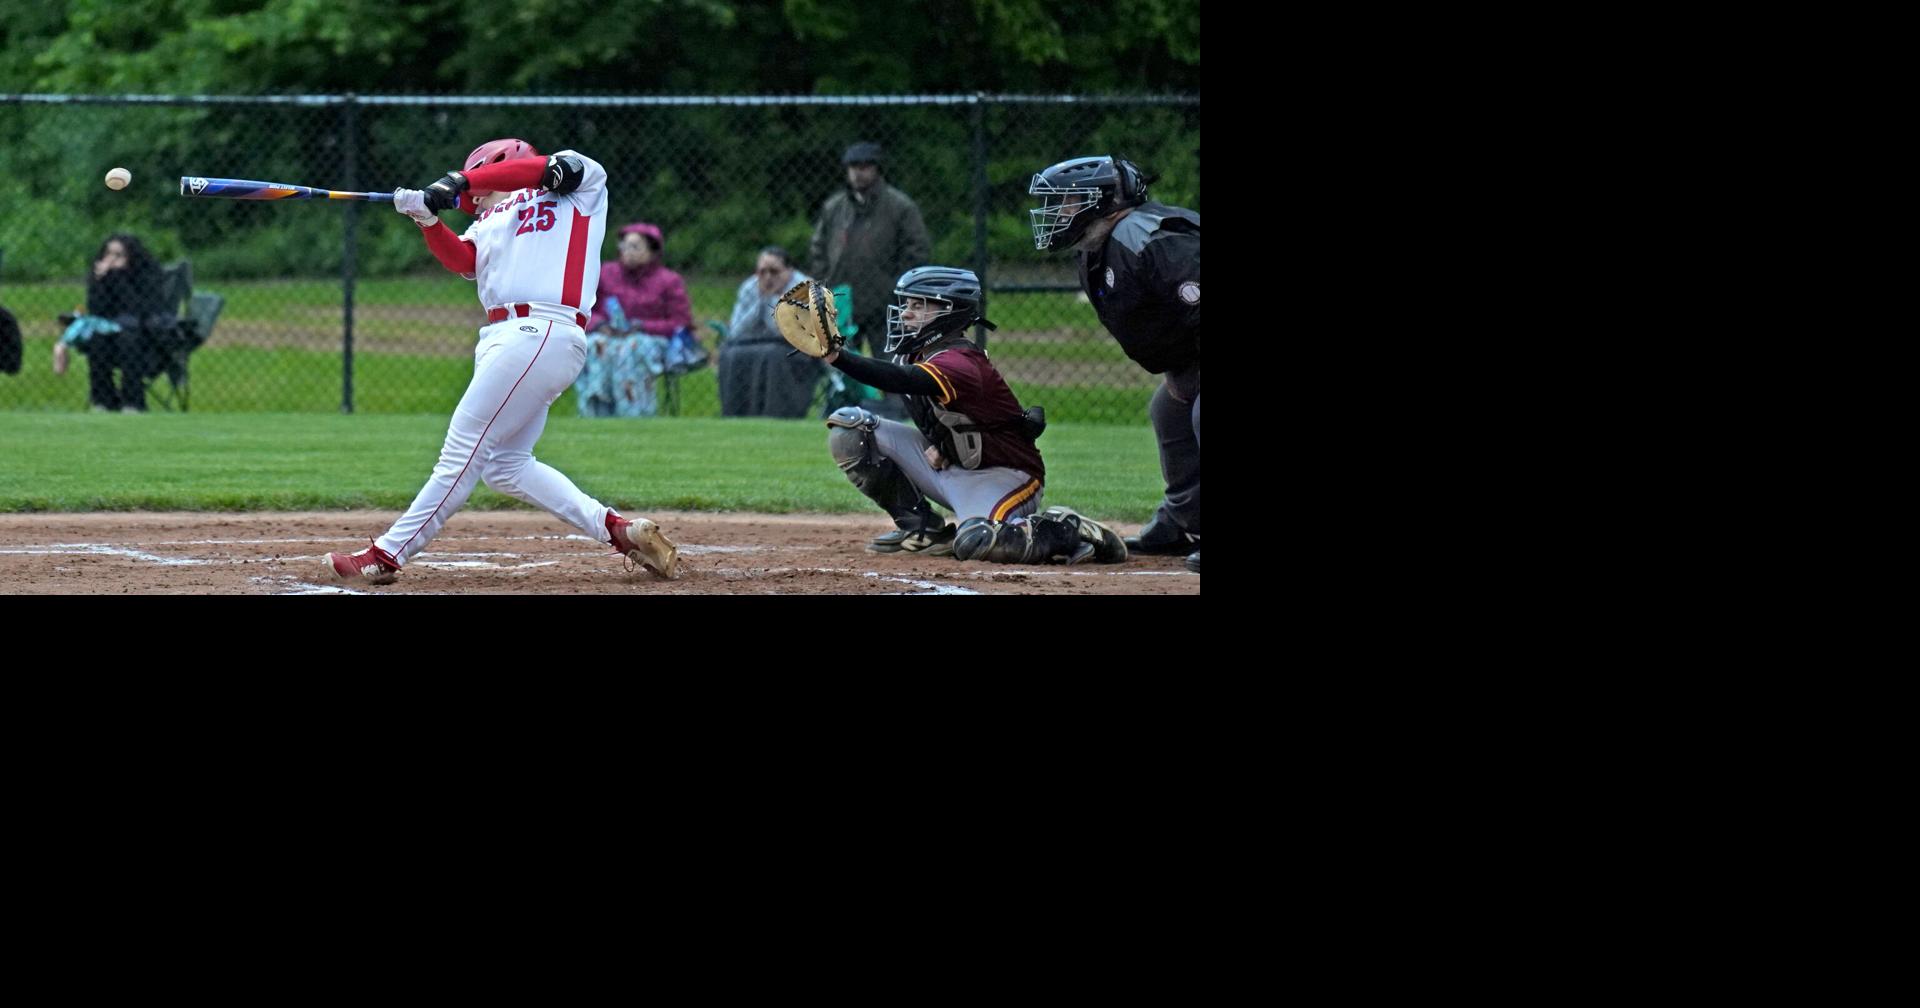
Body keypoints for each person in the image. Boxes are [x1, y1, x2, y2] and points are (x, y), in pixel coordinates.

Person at [323, 138, 678, 585]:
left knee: (463, 448)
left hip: (540, 330)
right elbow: (463, 260)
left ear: (498, 167)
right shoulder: (490, 221)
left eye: (480, 188)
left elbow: (540, 171)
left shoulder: (580, 183)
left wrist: (459, 181)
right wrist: (427, 219)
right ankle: (618, 530)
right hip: (505, 338)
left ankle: (386, 554)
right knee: (504, 465)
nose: (474, 201)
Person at [819, 266, 1128, 566]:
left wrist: (838, 357)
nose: (905, 313)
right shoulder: (917, 353)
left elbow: (902, 379)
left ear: (948, 312)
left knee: (976, 541)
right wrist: (941, 445)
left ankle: (1065, 529)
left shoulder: (960, 362)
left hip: (1005, 477)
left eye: (918, 305)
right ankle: (922, 530)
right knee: (851, 429)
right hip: (953, 465)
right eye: (906, 304)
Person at [1029, 155, 1200, 573]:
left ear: (1102, 201)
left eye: (1068, 202)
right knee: (1169, 409)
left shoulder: (1149, 239)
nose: (1057, 213)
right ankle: (1185, 522)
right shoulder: (1101, 247)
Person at [809, 141, 931, 418]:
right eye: (853, 168)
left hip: (885, 302)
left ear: (877, 169)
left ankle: (897, 413)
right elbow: (818, 247)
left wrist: (895, 288)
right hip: (841, 300)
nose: (858, 174)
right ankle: (842, 411)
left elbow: (917, 251)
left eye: (864, 167)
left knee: (890, 363)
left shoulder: (900, 207)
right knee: (840, 362)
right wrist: (823, 282)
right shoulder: (835, 208)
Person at [574, 221, 699, 417]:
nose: (628, 251)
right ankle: (595, 412)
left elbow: (680, 322)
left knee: (630, 347)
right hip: (609, 335)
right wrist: (600, 324)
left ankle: (635, 414)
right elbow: (583, 308)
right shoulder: (606, 273)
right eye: (624, 246)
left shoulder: (668, 280)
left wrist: (642, 326)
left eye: (635, 246)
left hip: (650, 340)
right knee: (596, 345)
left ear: (652, 251)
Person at [52, 234, 175, 413]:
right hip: (109, 335)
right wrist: (101, 282)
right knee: (98, 338)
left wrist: (117, 277)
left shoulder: (147, 276)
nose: (111, 259)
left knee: (128, 338)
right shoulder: (102, 277)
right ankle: (103, 400)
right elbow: (96, 309)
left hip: (145, 335)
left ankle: (133, 402)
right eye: (108, 254)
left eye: (119, 255)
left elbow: (136, 308)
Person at [718, 246, 823, 418]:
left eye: (774, 272)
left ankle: (775, 414)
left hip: (799, 349)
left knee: (772, 355)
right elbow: (735, 331)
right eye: (762, 272)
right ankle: (735, 415)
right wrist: (759, 301)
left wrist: (771, 300)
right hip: (757, 344)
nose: (767, 277)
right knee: (729, 354)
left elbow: (791, 333)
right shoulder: (750, 287)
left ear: (789, 271)